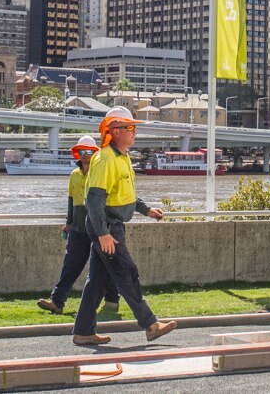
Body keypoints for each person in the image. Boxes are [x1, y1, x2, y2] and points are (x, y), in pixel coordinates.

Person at [72, 107, 177, 346]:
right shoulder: (105, 158)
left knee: (97, 281)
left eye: (134, 127)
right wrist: (103, 234)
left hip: (111, 226)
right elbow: (94, 200)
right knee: (127, 273)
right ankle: (150, 324)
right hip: (107, 227)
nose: (134, 132)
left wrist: (146, 210)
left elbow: (124, 195)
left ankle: (83, 332)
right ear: (115, 131)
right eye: (129, 127)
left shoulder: (123, 157)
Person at [37, 135, 120, 314]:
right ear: (78, 154)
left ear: (95, 153)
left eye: (90, 151)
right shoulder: (74, 175)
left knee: (106, 265)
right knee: (70, 265)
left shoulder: (100, 173)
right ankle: (57, 302)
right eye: (82, 151)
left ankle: (112, 301)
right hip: (78, 228)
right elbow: (71, 201)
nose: (86, 155)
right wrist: (69, 223)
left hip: (98, 228)